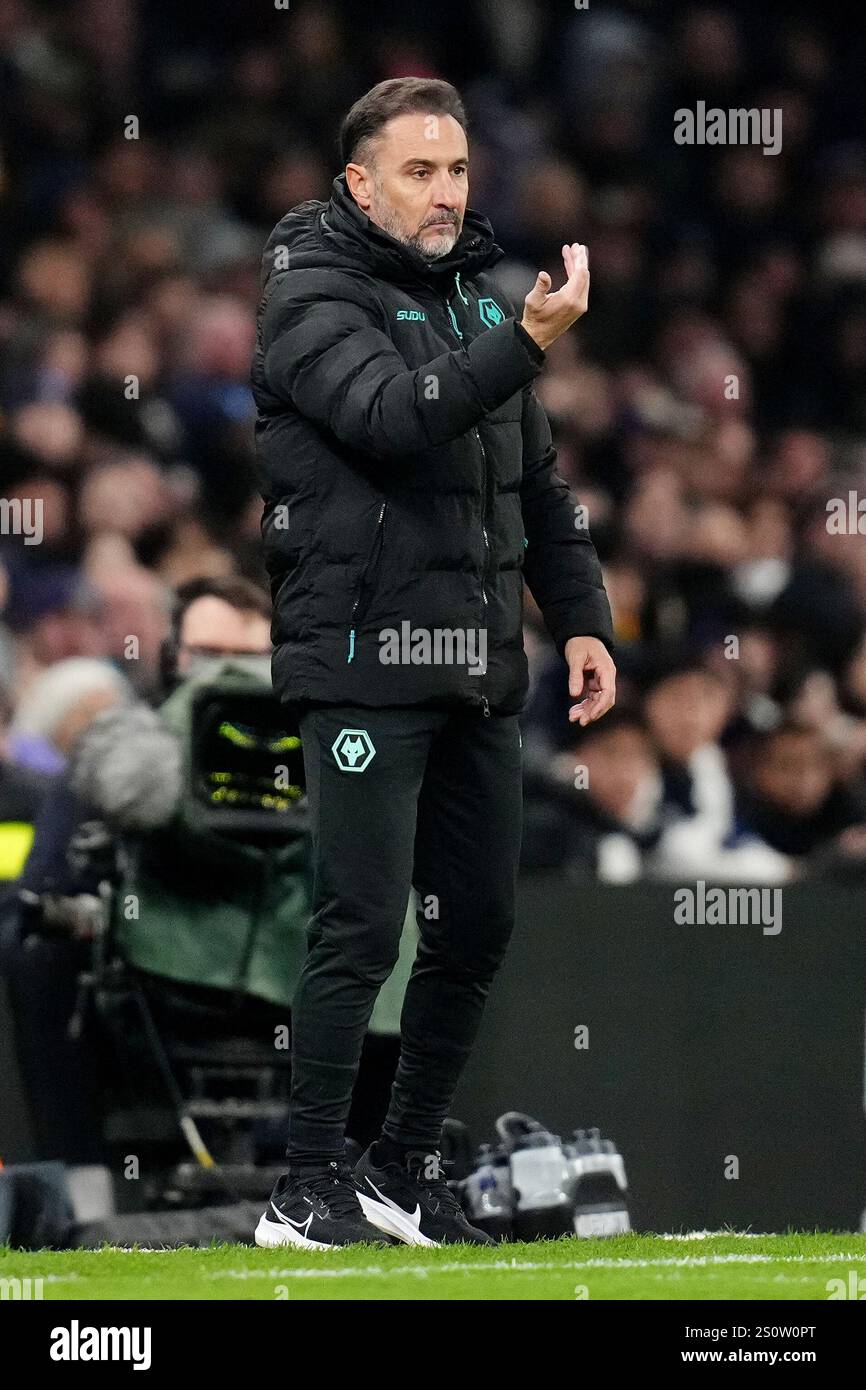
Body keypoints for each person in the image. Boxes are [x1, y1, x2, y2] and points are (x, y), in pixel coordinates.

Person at [251, 76, 615, 1248]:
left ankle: (397, 1171)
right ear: (357, 183)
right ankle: (302, 1184)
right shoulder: (307, 291)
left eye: (457, 170)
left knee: (476, 926)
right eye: (419, 171)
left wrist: (584, 619)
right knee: (359, 924)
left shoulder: (473, 305)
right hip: (358, 661)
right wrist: (521, 340)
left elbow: (538, 490)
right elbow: (391, 420)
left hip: (471, 667)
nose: (444, 192)